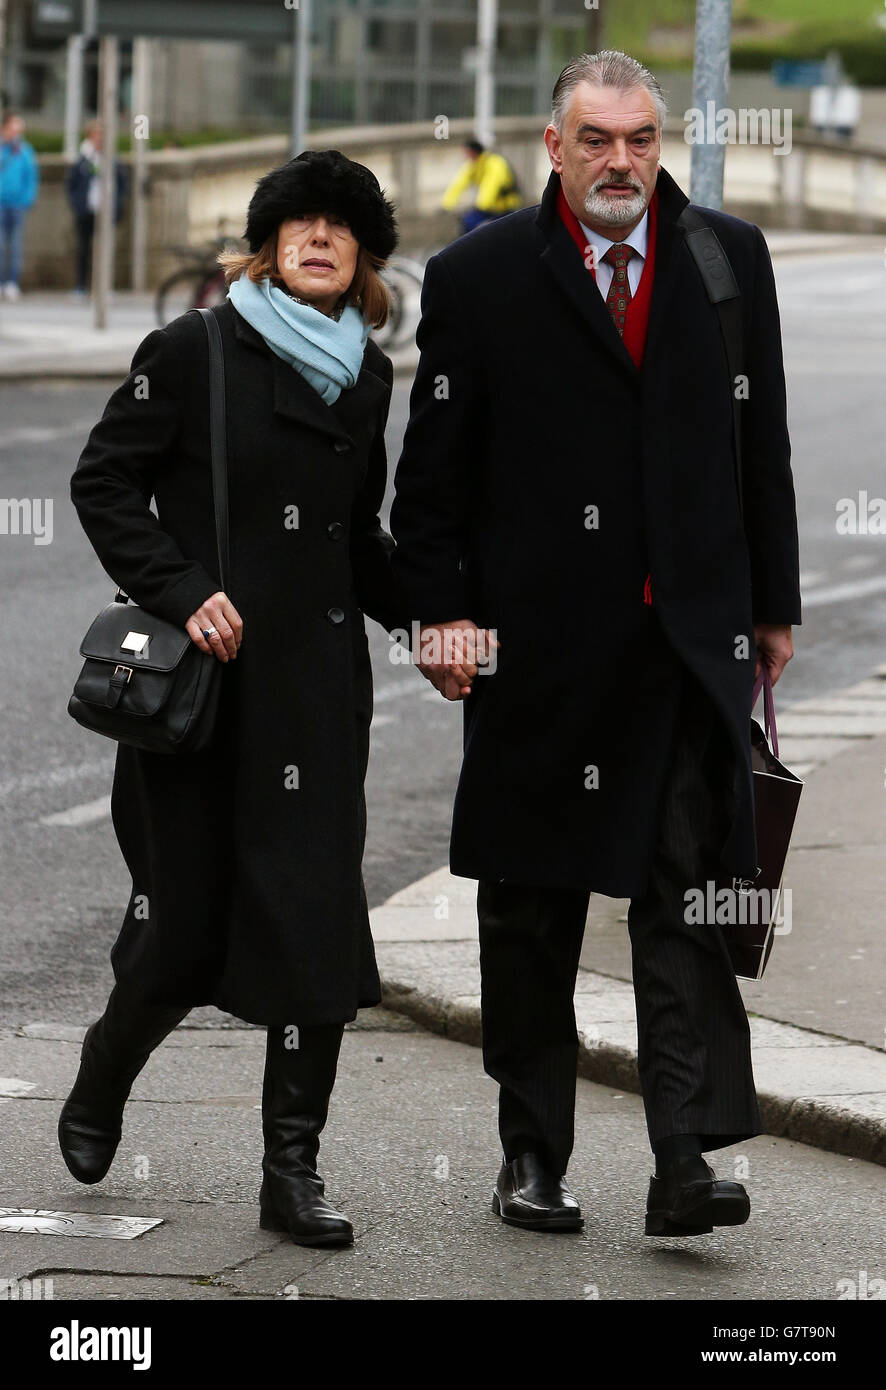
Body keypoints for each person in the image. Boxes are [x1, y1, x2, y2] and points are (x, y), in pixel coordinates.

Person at [391, 50, 800, 1238]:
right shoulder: (476, 278)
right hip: (538, 650)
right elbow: (432, 478)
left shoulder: (728, 260)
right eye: (596, 140)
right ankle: (534, 1155)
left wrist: (770, 604)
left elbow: (758, 443)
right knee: (534, 907)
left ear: (657, 142)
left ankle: (682, 1157)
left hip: (683, 641)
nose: (620, 161)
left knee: (685, 894)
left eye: (639, 139)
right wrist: (439, 610)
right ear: (552, 146)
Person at [62, 149, 404, 1249]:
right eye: (297, 222)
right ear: (267, 243)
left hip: (315, 703)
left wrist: (440, 619)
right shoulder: (195, 348)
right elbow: (103, 480)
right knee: (180, 934)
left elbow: (362, 539)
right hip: (201, 706)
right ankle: (108, 1065)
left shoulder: (369, 374)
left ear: (361, 255)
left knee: (312, 932)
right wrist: (183, 587)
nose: (317, 236)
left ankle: (290, 1172)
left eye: (339, 226)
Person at [66, 119, 128, 297]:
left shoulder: (112, 158)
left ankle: (104, 286)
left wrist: (116, 202)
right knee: (83, 249)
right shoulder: (83, 157)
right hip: (87, 210)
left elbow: (122, 182)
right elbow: (71, 184)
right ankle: (81, 285)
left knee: (105, 250)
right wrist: (77, 204)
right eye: (96, 134)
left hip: (106, 210)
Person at [441, 138, 521, 235]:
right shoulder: (473, 165)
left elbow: (492, 184)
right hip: (487, 207)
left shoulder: (495, 162)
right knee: (468, 223)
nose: (465, 156)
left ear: (474, 151)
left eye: (467, 153)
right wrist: (447, 203)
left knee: (499, 232)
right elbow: (459, 183)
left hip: (504, 207)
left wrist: (482, 204)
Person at [0, 111, 39, 300]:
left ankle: (12, 282)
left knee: (14, 245)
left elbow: (31, 177)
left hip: (17, 205)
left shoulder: (24, 151)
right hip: (1, 203)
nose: (16, 132)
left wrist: (26, 200)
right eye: (13, 128)